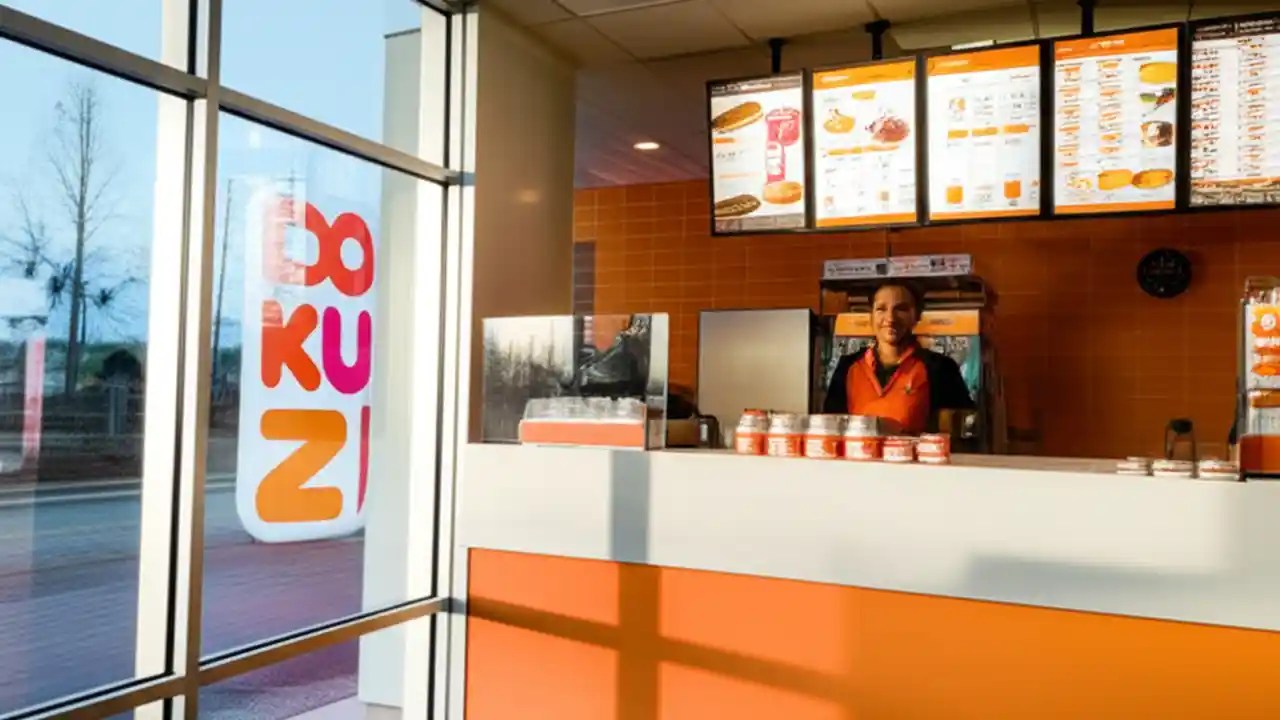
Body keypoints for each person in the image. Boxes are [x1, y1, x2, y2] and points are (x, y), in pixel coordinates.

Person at [823, 280, 975, 434]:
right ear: (871, 316)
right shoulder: (848, 367)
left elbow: (964, 432)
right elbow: (830, 429)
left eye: (901, 309)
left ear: (917, 316)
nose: (890, 318)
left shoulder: (941, 368)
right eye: (881, 309)